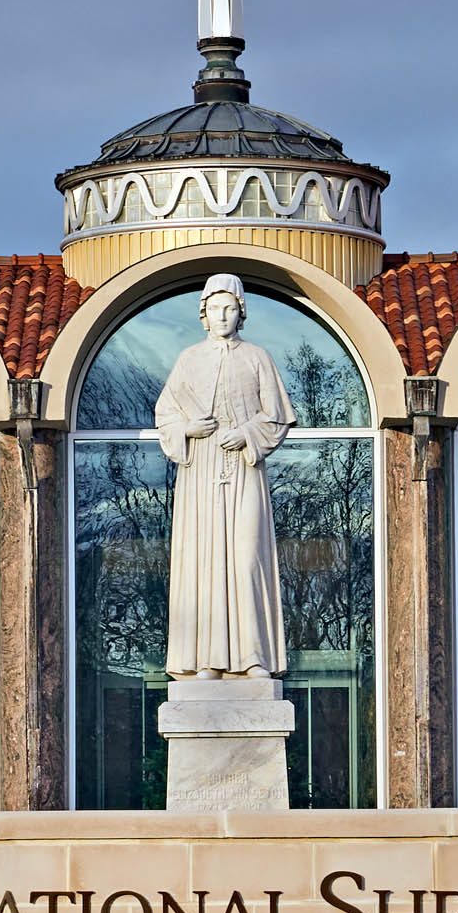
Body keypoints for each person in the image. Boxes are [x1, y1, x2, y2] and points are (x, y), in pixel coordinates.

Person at [151, 275, 292, 681]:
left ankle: (253, 658)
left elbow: (277, 415)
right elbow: (166, 415)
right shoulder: (188, 360)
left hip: (245, 469)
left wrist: (246, 433)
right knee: (204, 562)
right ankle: (207, 661)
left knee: (247, 559)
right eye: (215, 308)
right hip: (199, 471)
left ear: (241, 312)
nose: (222, 316)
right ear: (203, 313)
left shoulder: (258, 357)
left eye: (230, 308)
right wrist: (188, 430)